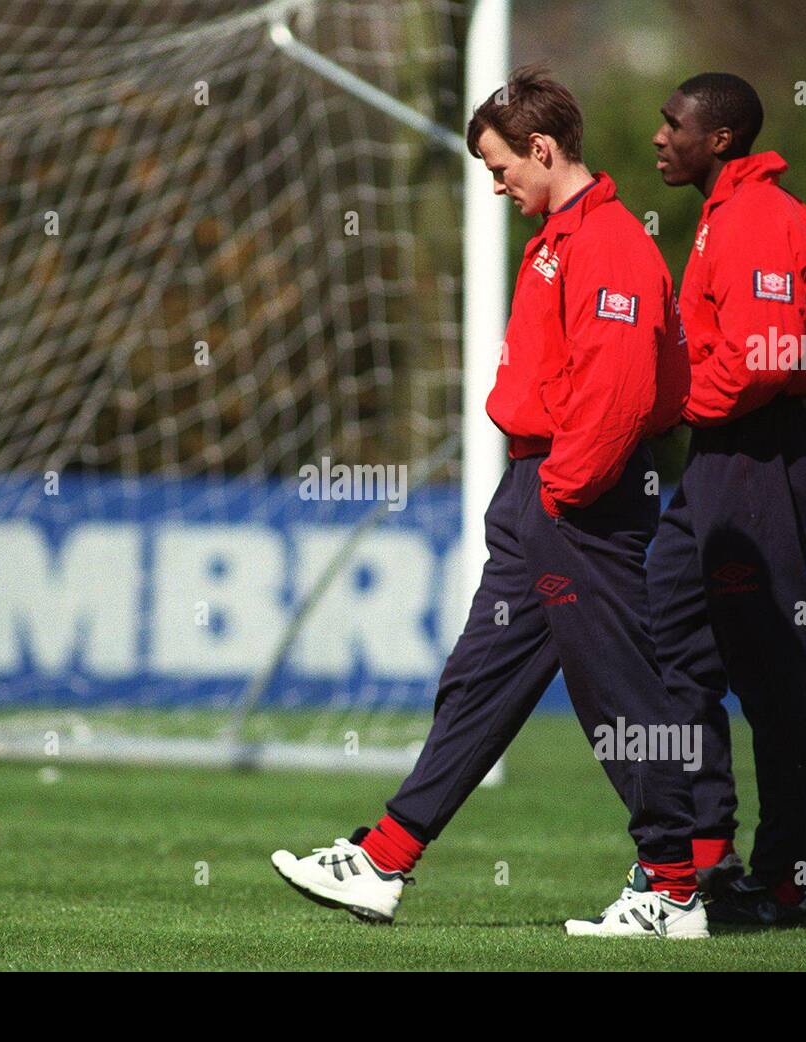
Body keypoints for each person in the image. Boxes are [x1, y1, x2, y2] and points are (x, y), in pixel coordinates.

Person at [272, 67, 705, 939]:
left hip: (576, 496)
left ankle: (673, 886)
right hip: (538, 497)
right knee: (478, 682)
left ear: (543, 150)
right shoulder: (558, 236)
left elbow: (625, 392)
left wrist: (561, 490)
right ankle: (385, 857)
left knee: (618, 693)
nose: (497, 182)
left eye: (503, 166)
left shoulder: (609, 242)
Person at [648, 72, 806, 925]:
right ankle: (706, 850)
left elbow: (758, 365)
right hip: (720, 455)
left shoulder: (757, 220)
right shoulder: (725, 212)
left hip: (757, 453)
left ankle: (781, 881)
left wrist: (661, 405)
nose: (660, 136)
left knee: (772, 669)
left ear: (721, 139)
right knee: (667, 620)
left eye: (675, 125)